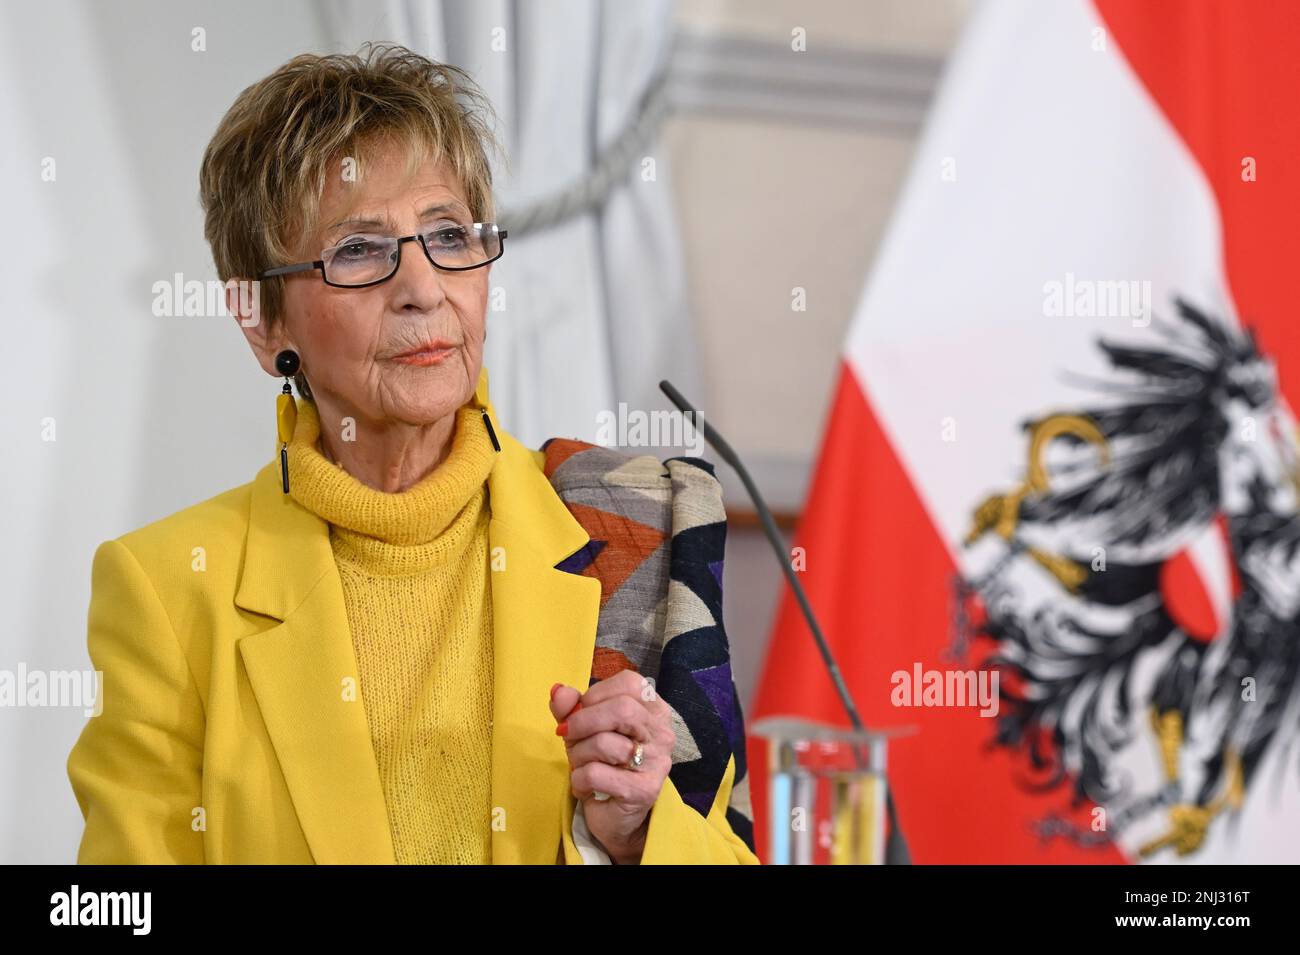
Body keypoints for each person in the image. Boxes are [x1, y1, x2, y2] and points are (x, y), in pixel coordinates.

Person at [66, 43, 758, 865]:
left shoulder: (637, 529)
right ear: (263, 322)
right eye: (360, 249)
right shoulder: (169, 590)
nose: (424, 287)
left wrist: (638, 838)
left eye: (449, 235)